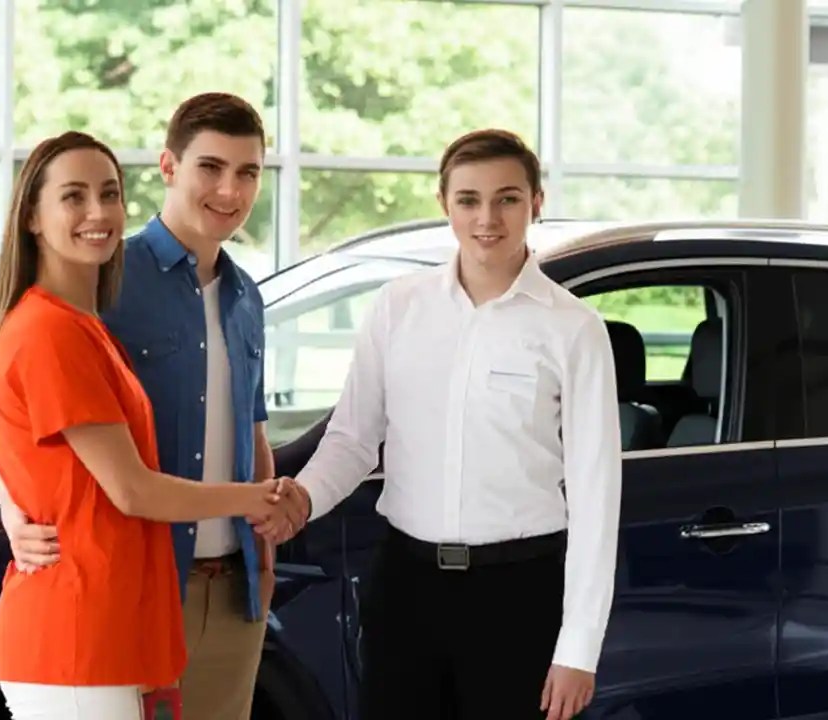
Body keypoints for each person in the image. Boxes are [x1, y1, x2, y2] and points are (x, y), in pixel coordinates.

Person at [257, 128, 623, 720]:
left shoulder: (573, 329)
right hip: (406, 586)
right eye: (469, 200)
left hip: (519, 593)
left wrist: (578, 648)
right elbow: (352, 438)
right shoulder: (398, 307)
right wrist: (302, 498)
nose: (488, 218)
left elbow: (596, 496)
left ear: (536, 203)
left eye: (507, 198)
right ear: (444, 204)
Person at [0, 94, 282, 720]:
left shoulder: (246, 297)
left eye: (248, 172)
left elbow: (252, 424)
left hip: (234, 589)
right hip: (142, 590)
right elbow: (20, 407)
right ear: (169, 167)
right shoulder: (102, 272)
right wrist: (11, 504)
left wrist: (264, 538)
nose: (229, 190)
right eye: (211, 167)